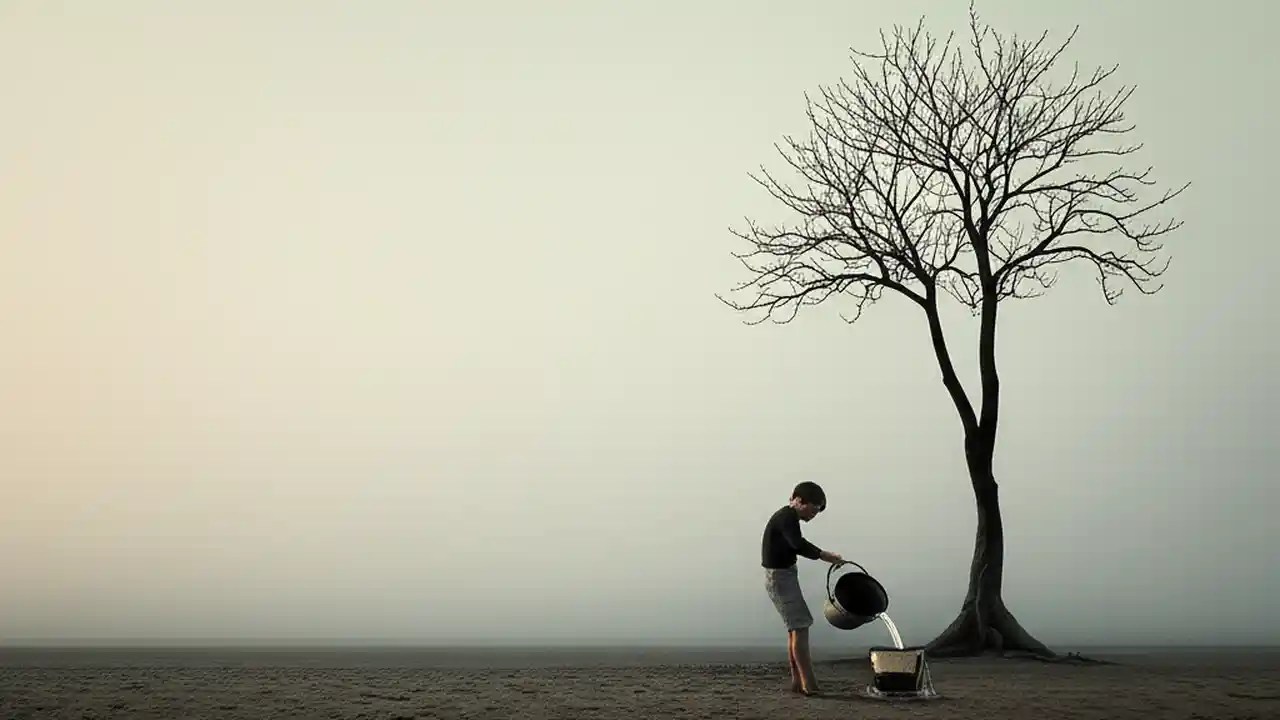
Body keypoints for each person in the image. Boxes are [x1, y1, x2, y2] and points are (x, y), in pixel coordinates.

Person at [761, 481, 845, 696]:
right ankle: (809, 685)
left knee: (795, 628)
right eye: (813, 510)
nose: (813, 516)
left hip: (782, 576)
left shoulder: (787, 518)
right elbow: (797, 544)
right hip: (781, 578)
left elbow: (795, 542)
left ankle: (798, 683)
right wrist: (825, 555)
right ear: (798, 500)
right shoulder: (786, 518)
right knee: (801, 626)